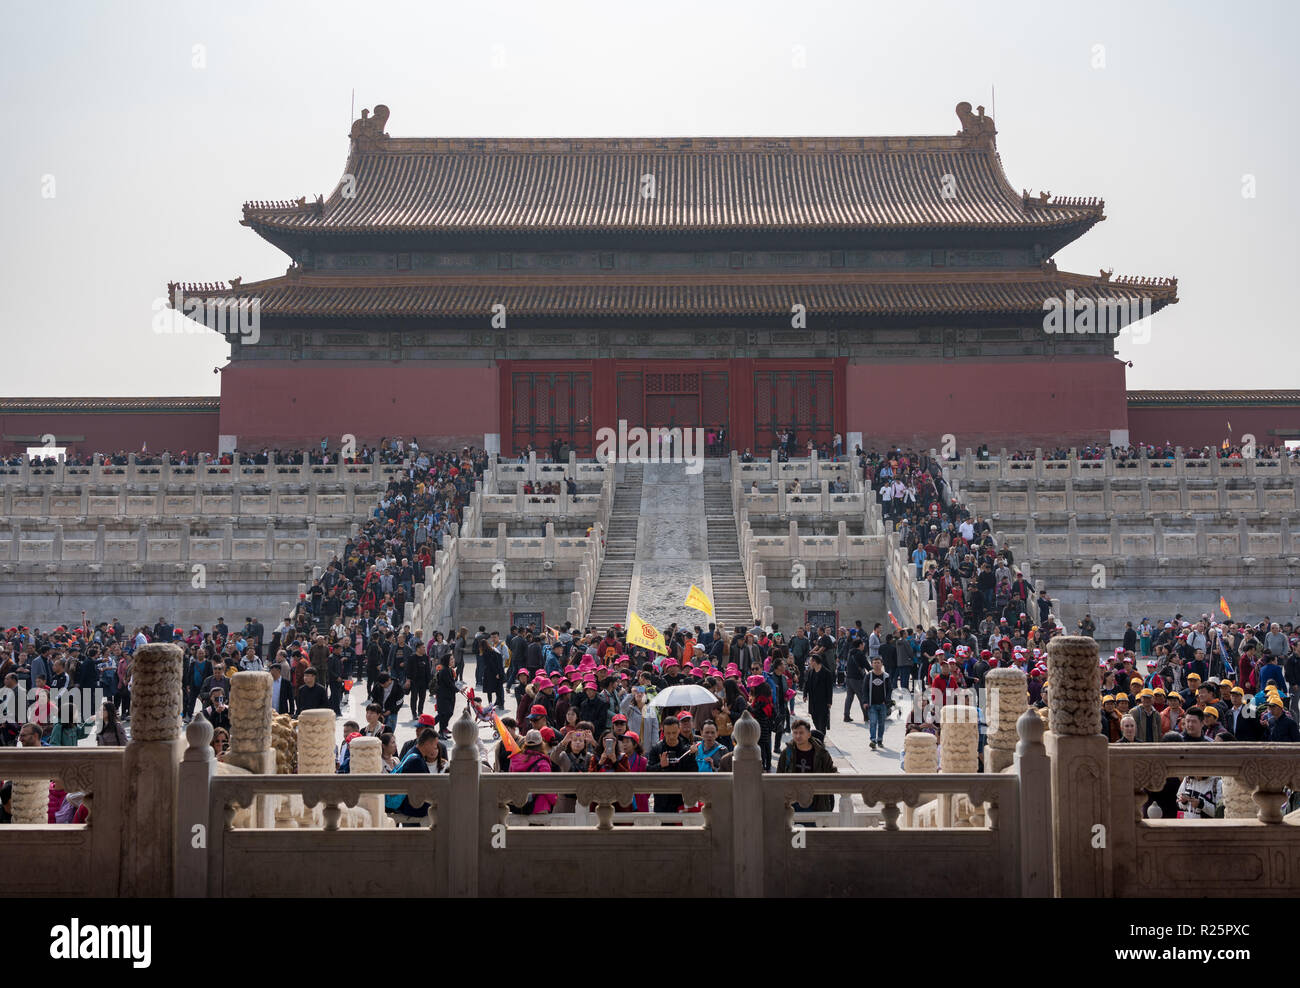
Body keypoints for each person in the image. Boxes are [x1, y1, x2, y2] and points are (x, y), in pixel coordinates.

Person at [776, 719, 835, 812]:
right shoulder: (787, 753)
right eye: (795, 733)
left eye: (801, 733)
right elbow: (779, 774)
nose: (798, 736)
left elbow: (831, 771)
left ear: (808, 734)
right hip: (792, 801)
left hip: (815, 800)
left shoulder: (821, 754)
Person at [388, 728, 444, 826]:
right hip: (412, 808)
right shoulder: (416, 760)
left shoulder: (412, 752)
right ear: (427, 744)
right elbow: (425, 789)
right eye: (434, 745)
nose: (435, 748)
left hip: (407, 803)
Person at [645, 715, 698, 812]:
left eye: (674, 732)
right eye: (668, 733)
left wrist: (691, 756)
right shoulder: (657, 749)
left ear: (679, 730)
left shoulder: (685, 749)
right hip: (662, 798)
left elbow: (693, 772)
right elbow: (648, 771)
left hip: (681, 798)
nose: (671, 736)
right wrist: (660, 765)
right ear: (663, 732)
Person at [508, 730, 557, 815]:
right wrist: (555, 801)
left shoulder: (515, 759)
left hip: (519, 806)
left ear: (525, 743)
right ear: (542, 743)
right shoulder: (542, 763)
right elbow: (547, 788)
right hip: (539, 807)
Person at [864, 656, 891, 750]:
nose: (876, 664)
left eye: (878, 662)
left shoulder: (886, 676)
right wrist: (865, 701)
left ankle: (880, 740)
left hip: (882, 704)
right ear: (871, 664)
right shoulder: (869, 676)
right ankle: (873, 740)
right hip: (872, 704)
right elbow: (865, 690)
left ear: (882, 664)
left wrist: (887, 701)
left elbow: (889, 690)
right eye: (874, 663)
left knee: (882, 724)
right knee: (873, 722)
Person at [804, 652, 834, 735]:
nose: (809, 663)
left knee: (822, 721)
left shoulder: (827, 673)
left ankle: (821, 737)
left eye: (811, 661)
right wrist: (805, 694)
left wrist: (829, 701)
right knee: (815, 719)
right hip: (813, 701)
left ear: (815, 662)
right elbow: (807, 684)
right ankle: (820, 733)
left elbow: (829, 688)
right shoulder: (810, 672)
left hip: (823, 701)